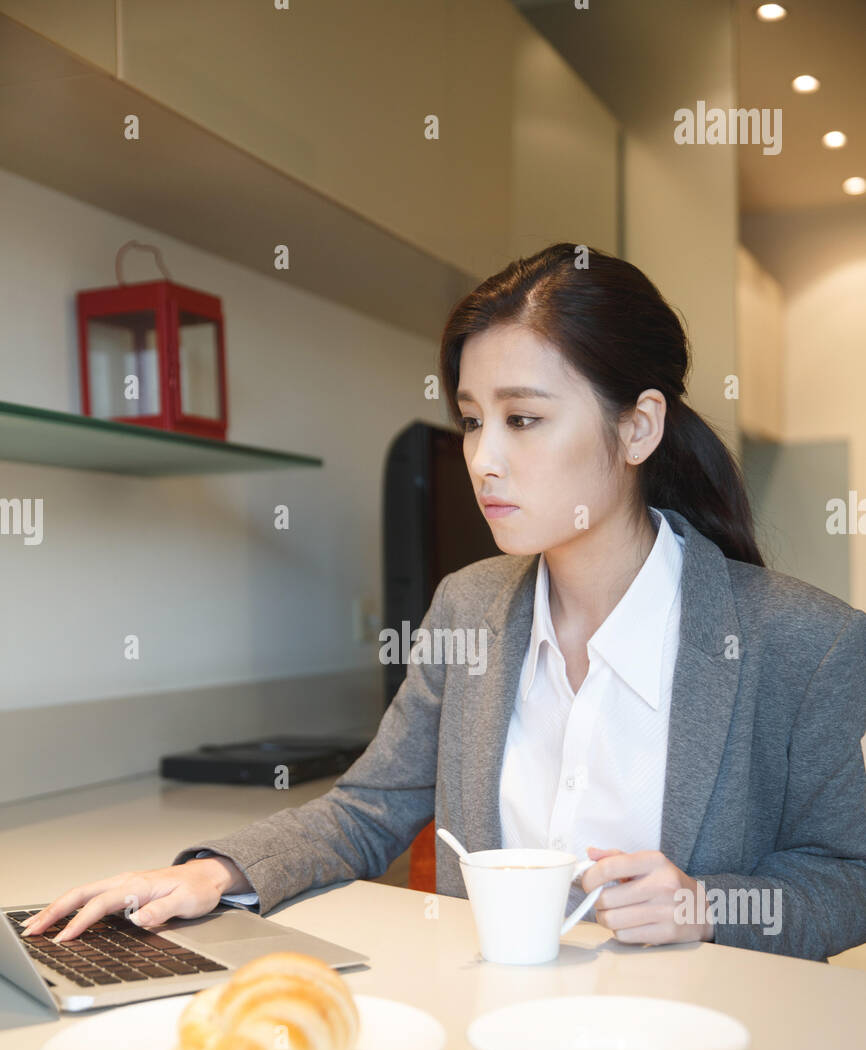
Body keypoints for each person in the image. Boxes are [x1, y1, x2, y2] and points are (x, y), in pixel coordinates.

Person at [23, 244, 866, 962]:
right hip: (495, 1040)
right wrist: (211, 872)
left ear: (639, 427)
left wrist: (706, 907)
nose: (484, 460)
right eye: (471, 420)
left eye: (524, 420)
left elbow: (847, 876)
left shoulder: (804, 642)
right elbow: (372, 805)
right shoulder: (468, 607)